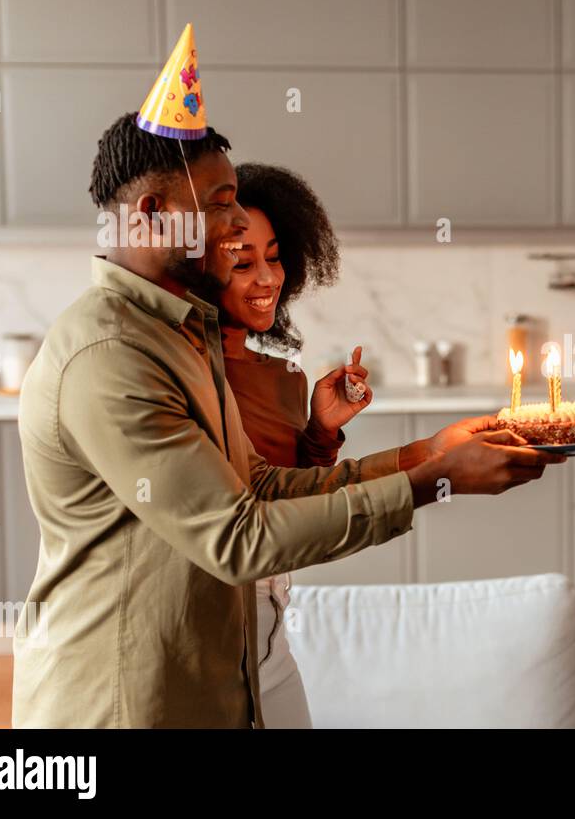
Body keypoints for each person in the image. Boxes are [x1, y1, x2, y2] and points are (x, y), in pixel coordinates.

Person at [12, 113, 561, 728]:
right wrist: (436, 482)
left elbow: (260, 487)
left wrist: (426, 454)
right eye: (222, 203)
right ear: (151, 211)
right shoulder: (110, 353)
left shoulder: (180, 333)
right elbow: (239, 537)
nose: (239, 220)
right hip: (122, 706)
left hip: (210, 688)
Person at [193, 162, 369, 728]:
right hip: (199, 639)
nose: (267, 277)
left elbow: (289, 505)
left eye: (273, 256)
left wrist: (321, 432)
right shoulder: (176, 371)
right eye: (243, 262)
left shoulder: (285, 378)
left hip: (269, 629)